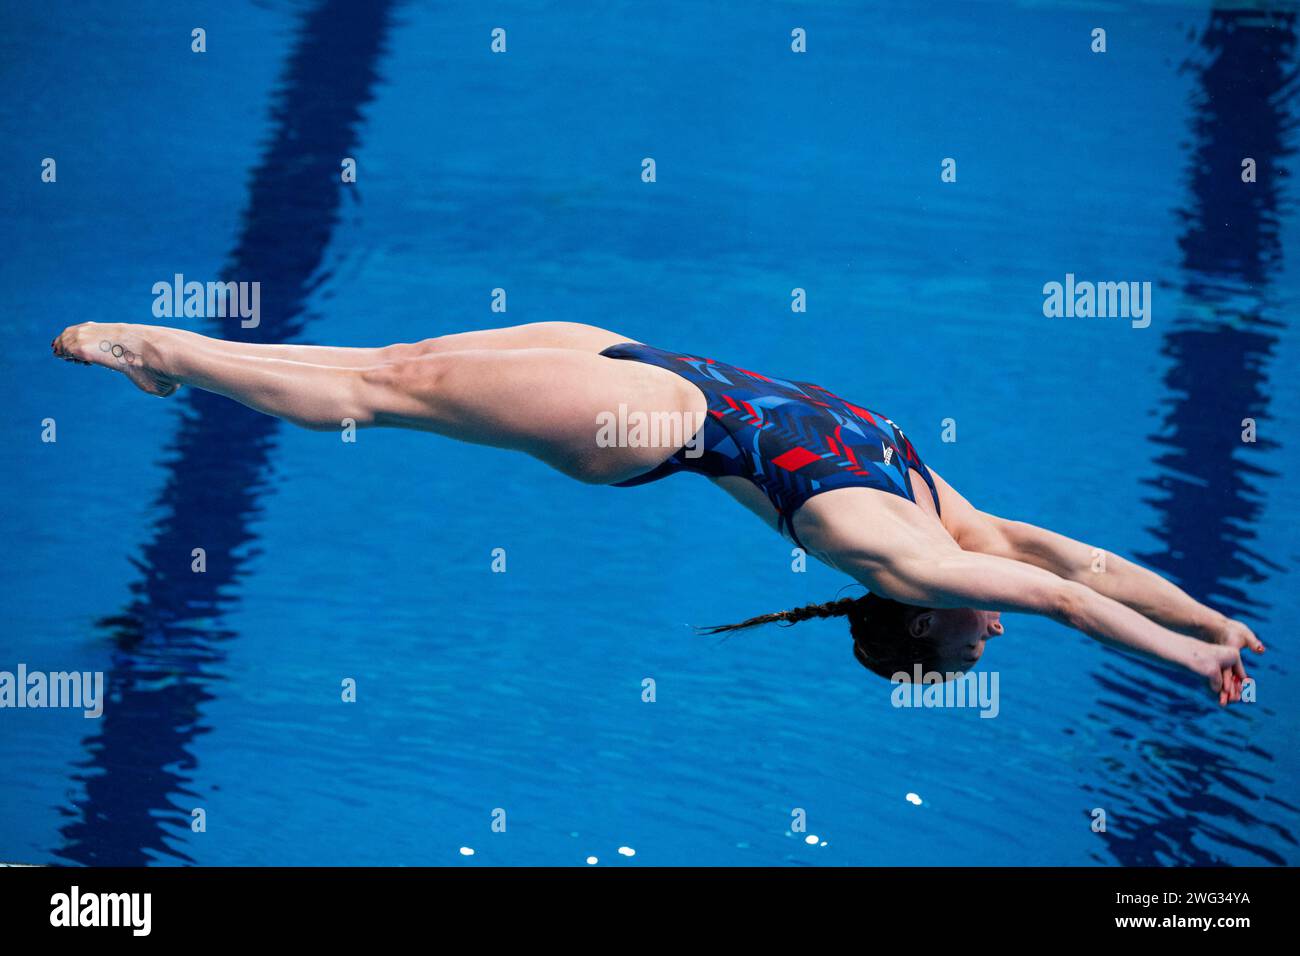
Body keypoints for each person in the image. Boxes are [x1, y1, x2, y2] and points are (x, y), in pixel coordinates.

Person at [52, 319, 1262, 703]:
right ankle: (177, 360)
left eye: (957, 650)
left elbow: (1052, 596)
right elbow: (1080, 568)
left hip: (639, 420)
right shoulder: (953, 525)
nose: (982, 634)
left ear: (918, 627)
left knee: (384, 390)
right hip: (634, 365)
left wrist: (1186, 652)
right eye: (971, 643)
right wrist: (1205, 621)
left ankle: (154, 345)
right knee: (396, 360)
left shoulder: (903, 558)